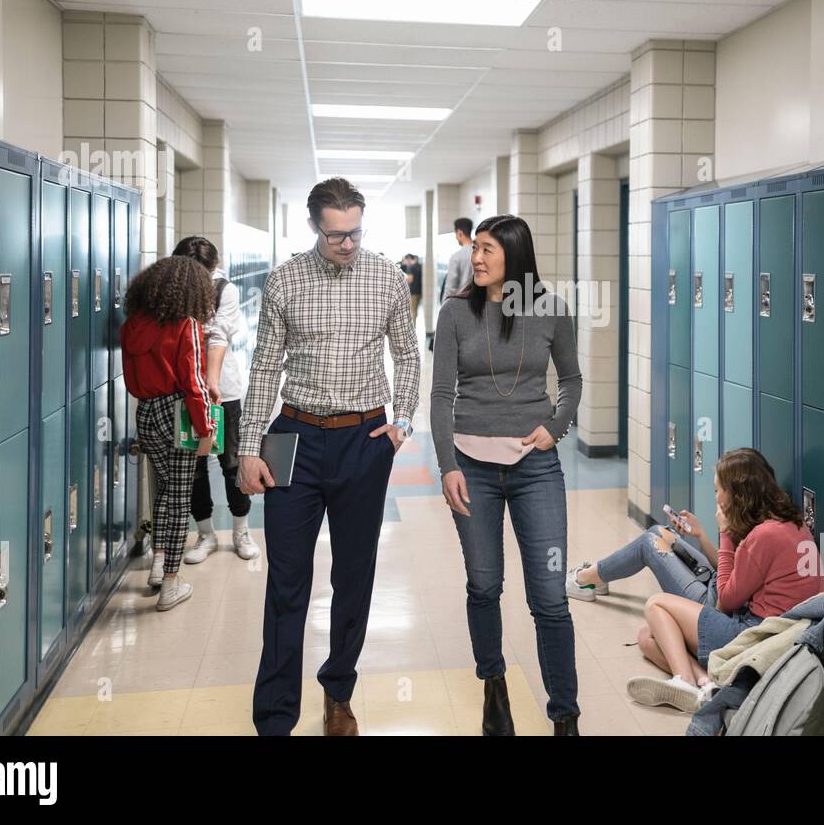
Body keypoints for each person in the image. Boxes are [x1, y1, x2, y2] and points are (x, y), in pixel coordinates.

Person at [236, 177, 419, 737]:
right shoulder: (286, 280)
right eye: (337, 234)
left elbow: (407, 354)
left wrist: (402, 421)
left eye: (356, 231)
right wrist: (247, 447)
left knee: (354, 575)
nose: (348, 243)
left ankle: (338, 693)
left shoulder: (388, 276)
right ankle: (274, 717)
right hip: (293, 435)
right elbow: (265, 366)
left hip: (364, 440)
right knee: (287, 579)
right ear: (316, 226)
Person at [431, 214, 584, 736]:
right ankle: (493, 686)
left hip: (535, 469)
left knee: (549, 597)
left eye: (488, 249)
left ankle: (565, 714)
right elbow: (440, 395)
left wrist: (555, 428)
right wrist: (448, 465)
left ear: (514, 256)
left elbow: (571, 379)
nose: (476, 258)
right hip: (471, 467)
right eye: (475, 248)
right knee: (484, 584)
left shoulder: (552, 311)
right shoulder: (454, 312)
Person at [620, 448, 824, 713]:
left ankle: (684, 682)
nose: (715, 496)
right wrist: (706, 536)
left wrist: (726, 533)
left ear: (737, 494)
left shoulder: (763, 536)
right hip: (777, 631)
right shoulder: (790, 523)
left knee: (655, 605)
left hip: (755, 635)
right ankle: (706, 685)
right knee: (647, 637)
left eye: (718, 490)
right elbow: (739, 577)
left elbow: (725, 601)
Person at [120, 255, 218, 611]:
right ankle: (170, 586)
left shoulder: (132, 325)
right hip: (178, 412)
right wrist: (205, 428)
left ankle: (159, 565)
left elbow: (131, 378)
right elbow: (193, 383)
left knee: (165, 492)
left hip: (145, 413)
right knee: (178, 500)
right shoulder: (185, 325)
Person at [171, 236, 259, 564]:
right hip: (184, 389)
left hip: (224, 390)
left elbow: (219, 333)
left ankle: (241, 529)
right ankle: (205, 534)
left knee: (231, 462)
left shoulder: (225, 290)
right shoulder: (173, 286)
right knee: (193, 463)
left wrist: (211, 381)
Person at [441, 217, 473, 301]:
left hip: (460, 304)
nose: (456, 237)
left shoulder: (456, 257)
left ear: (460, 233)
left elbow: (450, 288)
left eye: (455, 234)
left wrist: (444, 307)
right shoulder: (482, 254)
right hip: (478, 304)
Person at [403, 253, 423, 325]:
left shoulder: (411, 267)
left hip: (412, 292)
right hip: (420, 292)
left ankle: (412, 327)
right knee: (416, 310)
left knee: (412, 311)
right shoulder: (421, 266)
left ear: (409, 259)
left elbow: (410, 279)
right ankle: (414, 325)